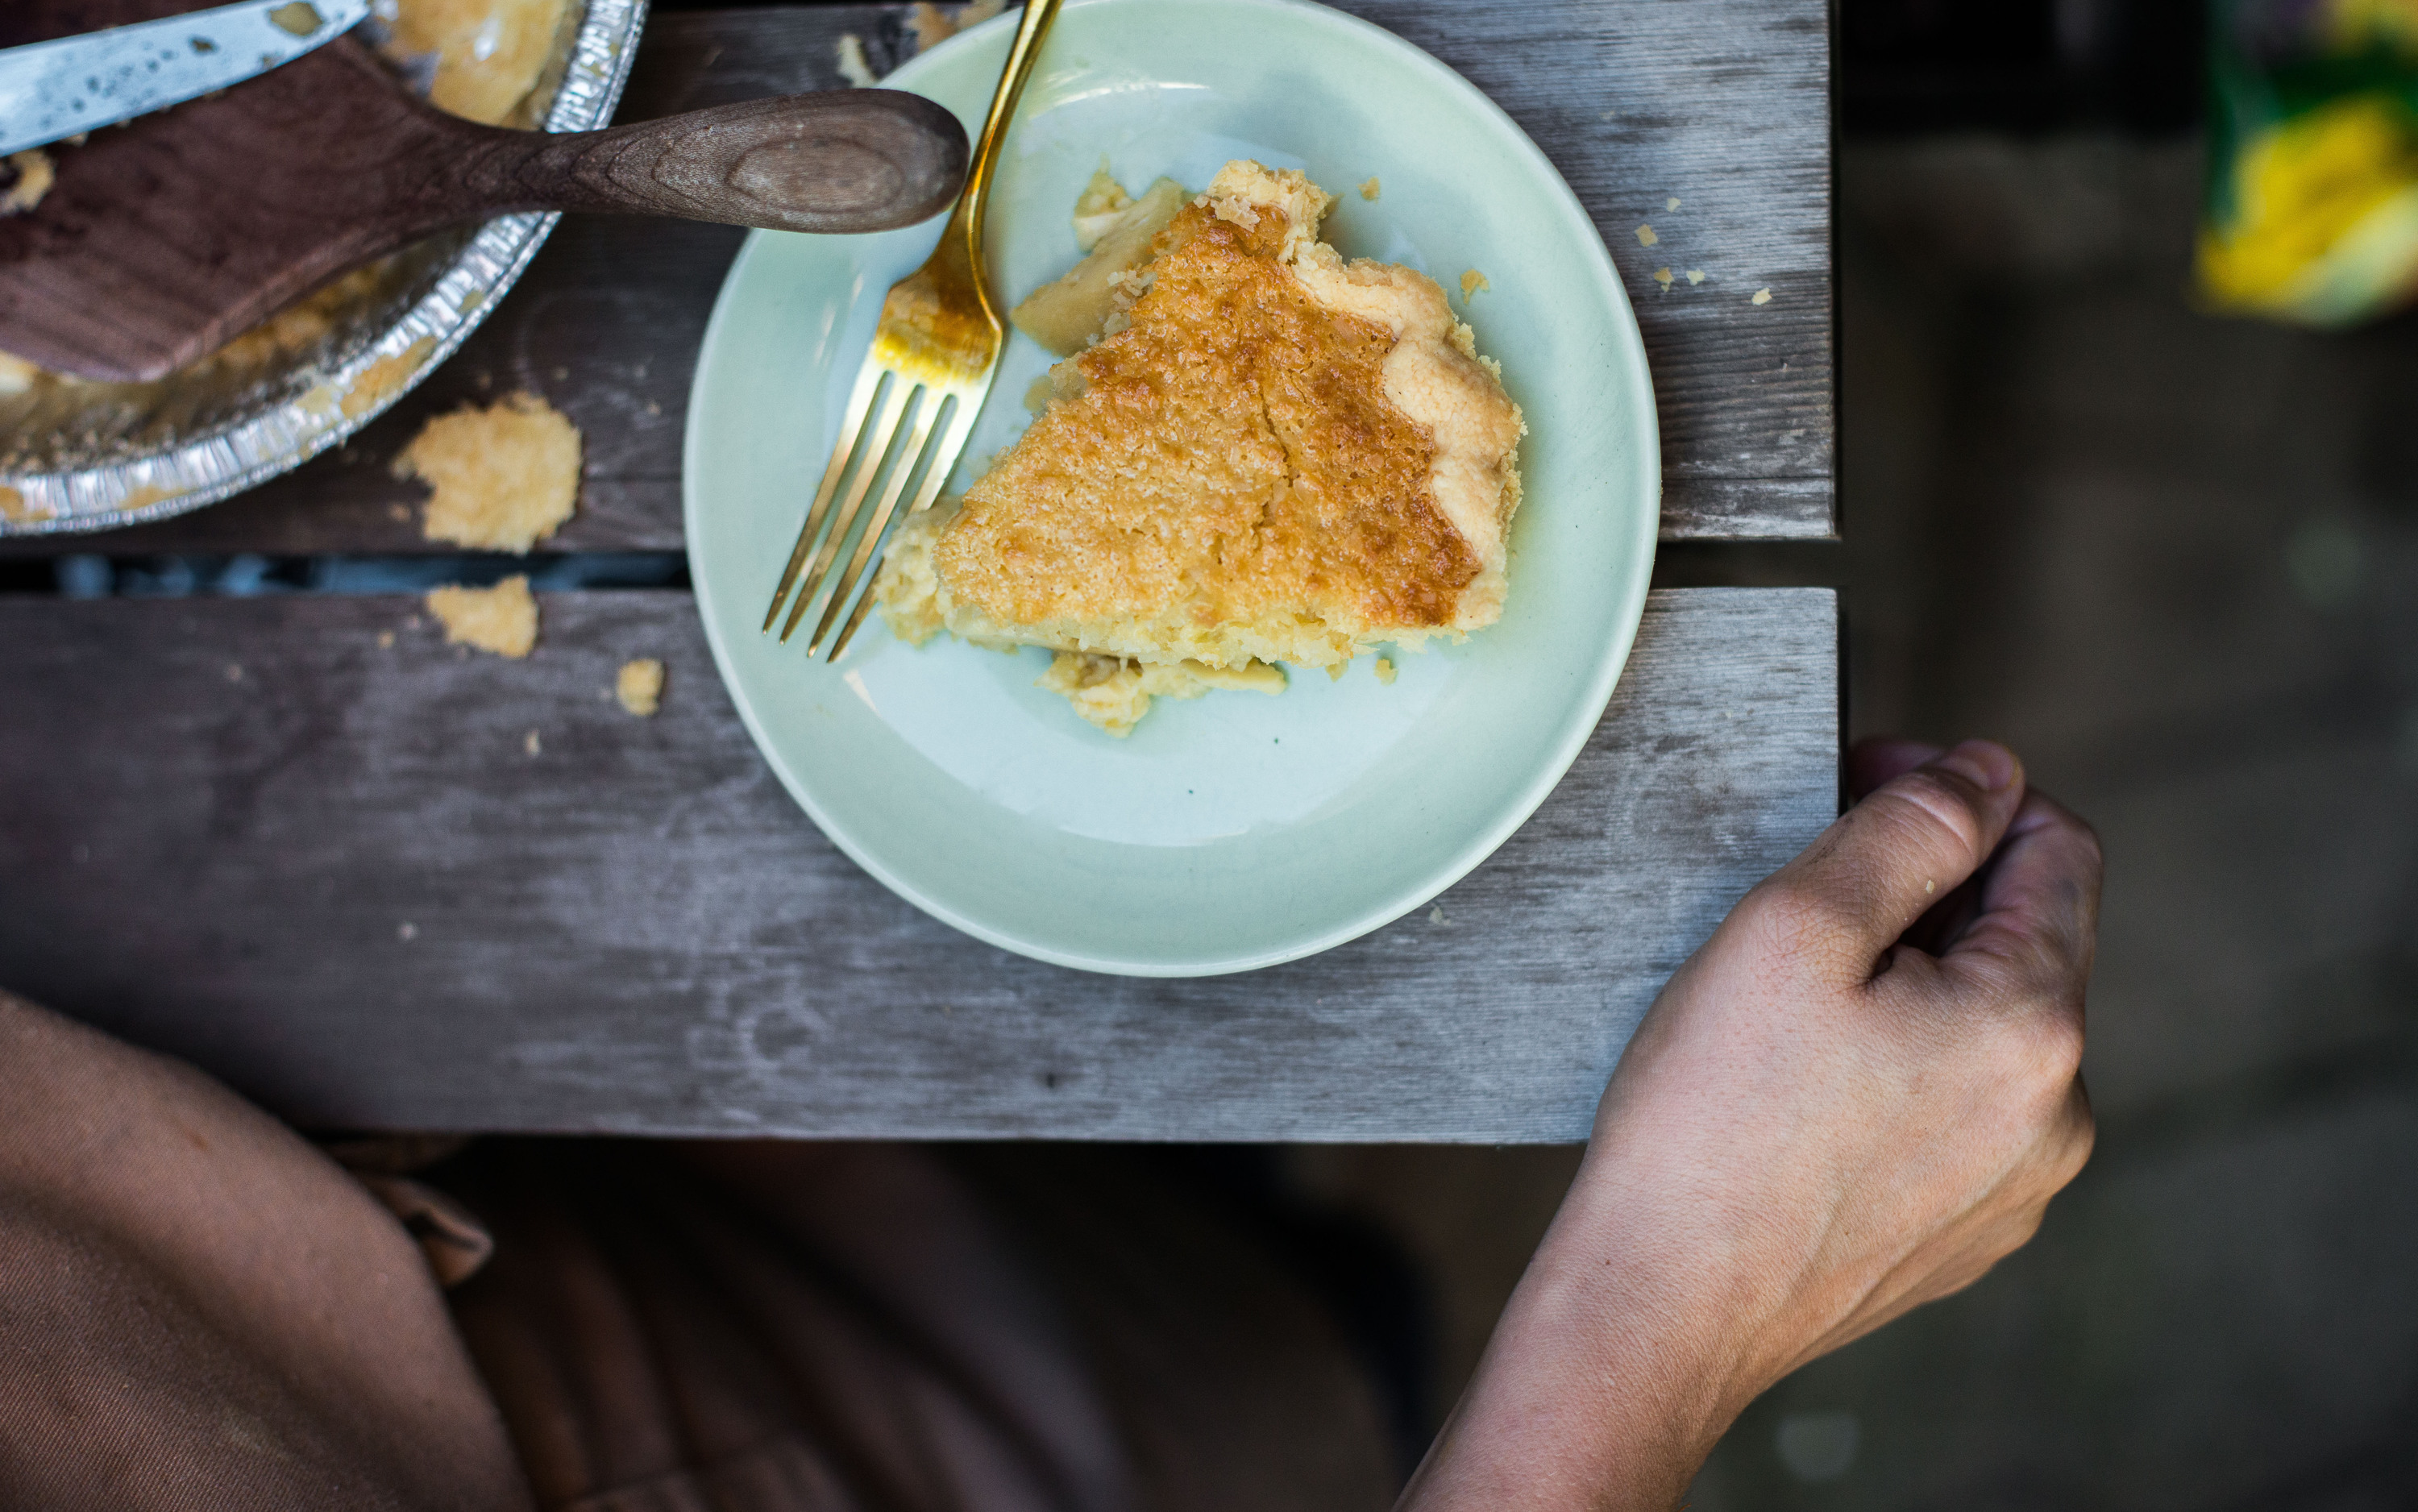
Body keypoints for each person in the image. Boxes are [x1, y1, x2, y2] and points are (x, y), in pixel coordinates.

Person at [0, 738, 2098, 1510]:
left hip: (433, 1182)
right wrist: (1669, 1307)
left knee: (1171, 1224)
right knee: (1273, 1373)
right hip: (899, 1452)